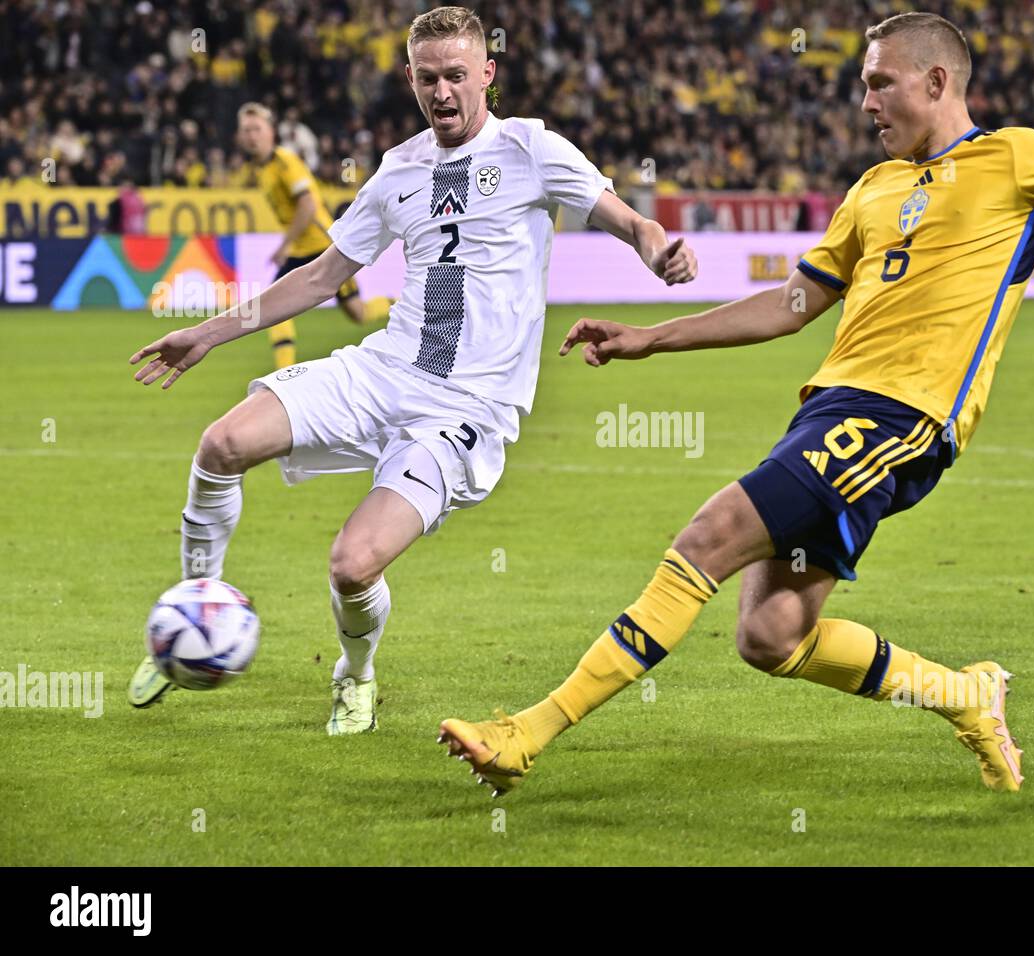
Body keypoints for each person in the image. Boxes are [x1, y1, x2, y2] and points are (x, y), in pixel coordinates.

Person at [438, 11, 1034, 795]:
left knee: (709, 535)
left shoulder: (1018, 157)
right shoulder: (871, 190)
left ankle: (528, 735)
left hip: (903, 416)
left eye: (880, 84)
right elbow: (790, 305)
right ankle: (965, 696)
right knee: (770, 636)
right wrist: (655, 337)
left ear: (937, 81)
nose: (865, 103)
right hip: (831, 412)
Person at [125, 6, 698, 735]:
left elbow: (625, 218)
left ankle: (355, 676)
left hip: (465, 410)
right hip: (386, 370)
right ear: (410, 79)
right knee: (220, 446)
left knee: (352, 566)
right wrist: (207, 334)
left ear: (487, 73)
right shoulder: (399, 170)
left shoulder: (530, 149)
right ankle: (193, 609)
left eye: (457, 75)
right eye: (428, 78)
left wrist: (656, 249)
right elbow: (320, 275)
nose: (443, 92)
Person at [232, 101, 390, 369]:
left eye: (256, 129)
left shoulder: (285, 162)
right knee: (274, 307)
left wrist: (285, 244)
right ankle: (282, 373)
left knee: (358, 313)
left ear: (271, 131)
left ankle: (397, 305)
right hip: (301, 250)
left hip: (324, 247)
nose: (251, 135)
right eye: (246, 130)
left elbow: (307, 205)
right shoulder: (260, 169)